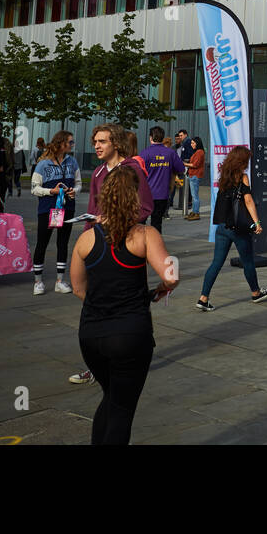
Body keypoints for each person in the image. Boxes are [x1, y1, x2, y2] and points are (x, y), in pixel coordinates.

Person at [69, 165, 177, 444]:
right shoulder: (143, 234)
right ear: (136, 197)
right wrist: (162, 290)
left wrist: (103, 304)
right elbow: (171, 275)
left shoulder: (85, 238)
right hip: (130, 333)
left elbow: (78, 287)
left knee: (112, 398)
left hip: (91, 334)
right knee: (122, 410)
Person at [197, 146, 267, 309]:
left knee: (216, 263)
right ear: (242, 161)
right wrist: (256, 223)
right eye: (246, 160)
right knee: (248, 262)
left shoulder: (224, 176)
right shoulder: (243, 177)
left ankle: (203, 298)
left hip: (223, 227)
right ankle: (256, 293)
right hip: (238, 228)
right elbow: (248, 201)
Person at [30, 130, 82, 295]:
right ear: (61, 143)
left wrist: (75, 191)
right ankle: (38, 281)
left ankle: (60, 280)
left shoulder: (72, 162)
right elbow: (34, 188)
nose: (72, 145)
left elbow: (79, 183)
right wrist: (51, 191)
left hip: (67, 208)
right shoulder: (43, 164)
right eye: (70, 142)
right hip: (48, 209)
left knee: (63, 243)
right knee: (42, 243)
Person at [140, 126, 186, 231]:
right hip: (162, 194)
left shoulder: (144, 153)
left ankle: (141, 244)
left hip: (146, 195)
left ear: (151, 138)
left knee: (141, 223)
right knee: (157, 223)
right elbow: (181, 168)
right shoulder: (170, 153)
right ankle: (156, 245)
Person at [183, 135, 206, 220]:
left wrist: (184, 164)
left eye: (193, 143)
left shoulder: (200, 152)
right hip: (193, 175)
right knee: (194, 195)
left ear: (197, 143)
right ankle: (194, 212)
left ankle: (196, 213)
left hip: (195, 175)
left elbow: (195, 165)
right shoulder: (197, 152)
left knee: (195, 196)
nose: (191, 145)